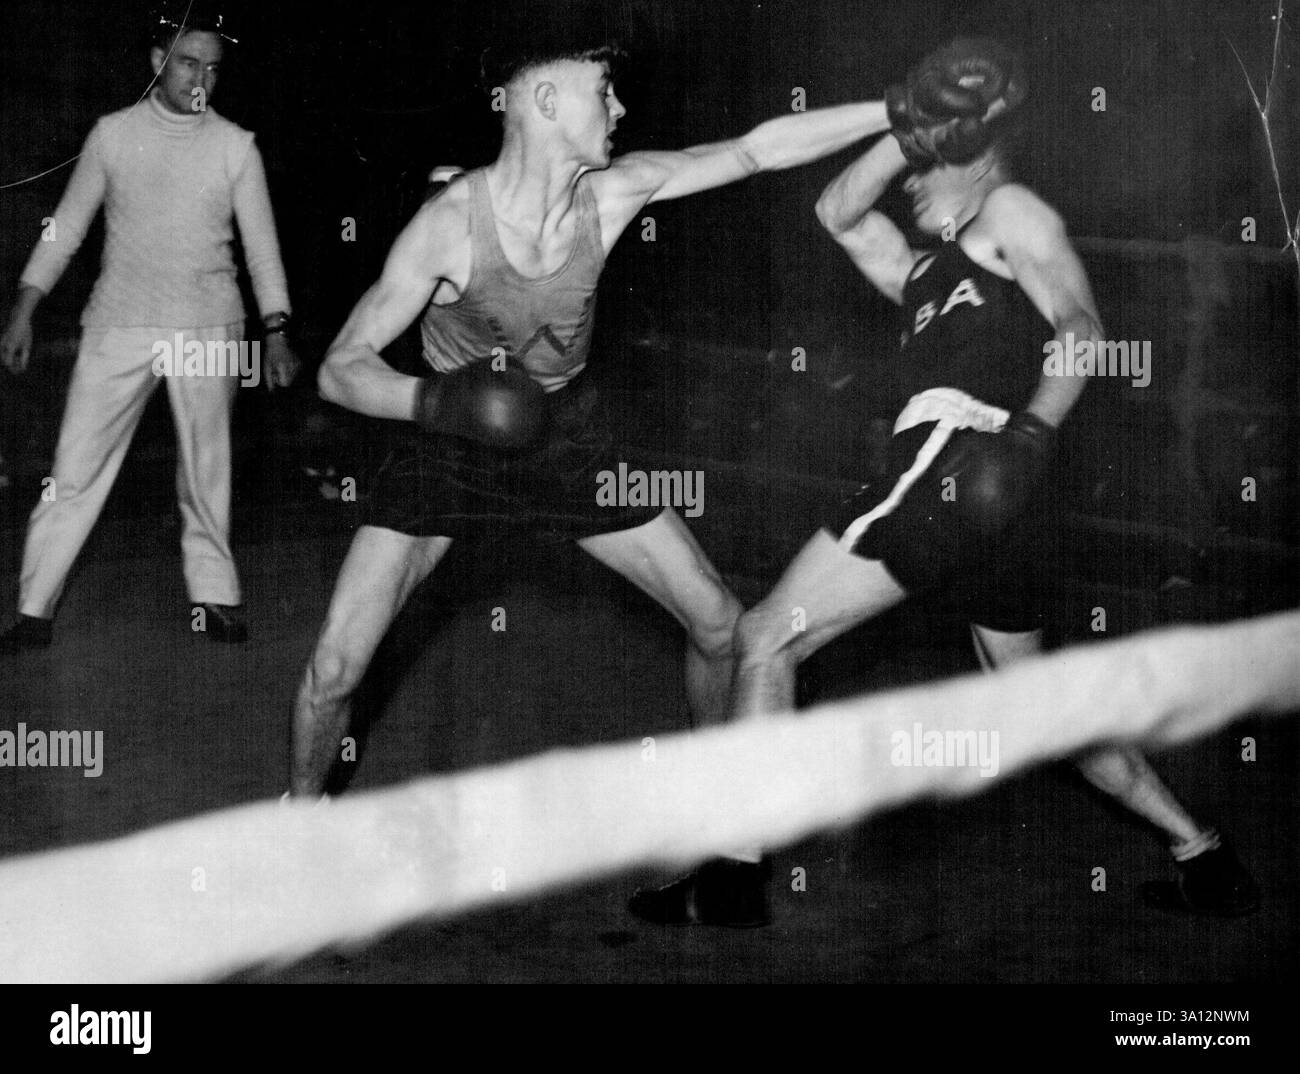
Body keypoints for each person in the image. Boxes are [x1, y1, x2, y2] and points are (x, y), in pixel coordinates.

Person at [630, 38, 1259, 926]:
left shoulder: (1010, 208)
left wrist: (1031, 435)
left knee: (768, 633)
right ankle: (1204, 855)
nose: (908, 184)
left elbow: (1082, 327)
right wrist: (906, 121)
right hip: (992, 504)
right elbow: (837, 208)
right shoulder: (927, 268)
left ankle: (732, 874)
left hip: (965, 462)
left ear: (976, 155)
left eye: (925, 168)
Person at [290, 38, 899, 796]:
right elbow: (342, 367)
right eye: (603, 90)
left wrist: (894, 110)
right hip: (447, 443)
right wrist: (436, 401)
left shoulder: (612, 195)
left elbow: (751, 152)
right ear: (546, 103)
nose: (621, 108)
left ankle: (712, 824)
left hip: (570, 437)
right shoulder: (449, 224)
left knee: (717, 621)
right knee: (335, 668)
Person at [0, 8, 300, 653]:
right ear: (157, 61)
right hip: (118, 324)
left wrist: (276, 329)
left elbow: (263, 250)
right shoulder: (111, 135)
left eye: (214, 68)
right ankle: (32, 607)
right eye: (189, 62)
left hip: (209, 326)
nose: (202, 78)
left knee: (206, 471)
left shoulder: (236, 147)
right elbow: (66, 229)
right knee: (73, 470)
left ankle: (216, 597)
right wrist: (25, 306)